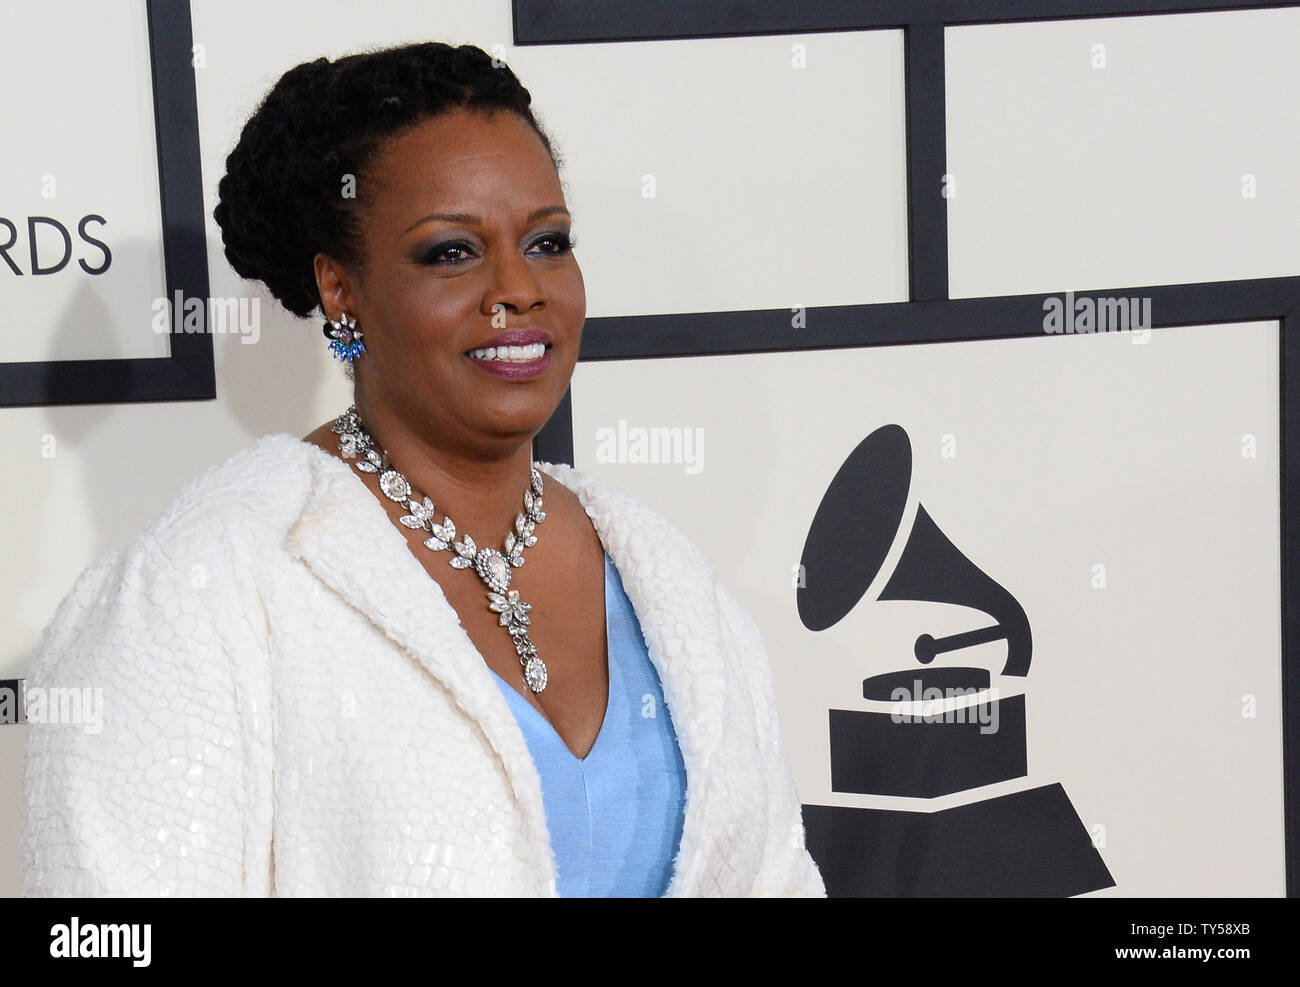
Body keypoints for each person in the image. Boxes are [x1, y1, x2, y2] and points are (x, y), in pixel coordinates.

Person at [21, 41, 825, 897]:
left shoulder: (669, 584)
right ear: (342, 290)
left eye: (548, 242)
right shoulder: (198, 594)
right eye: (451, 252)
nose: (519, 288)